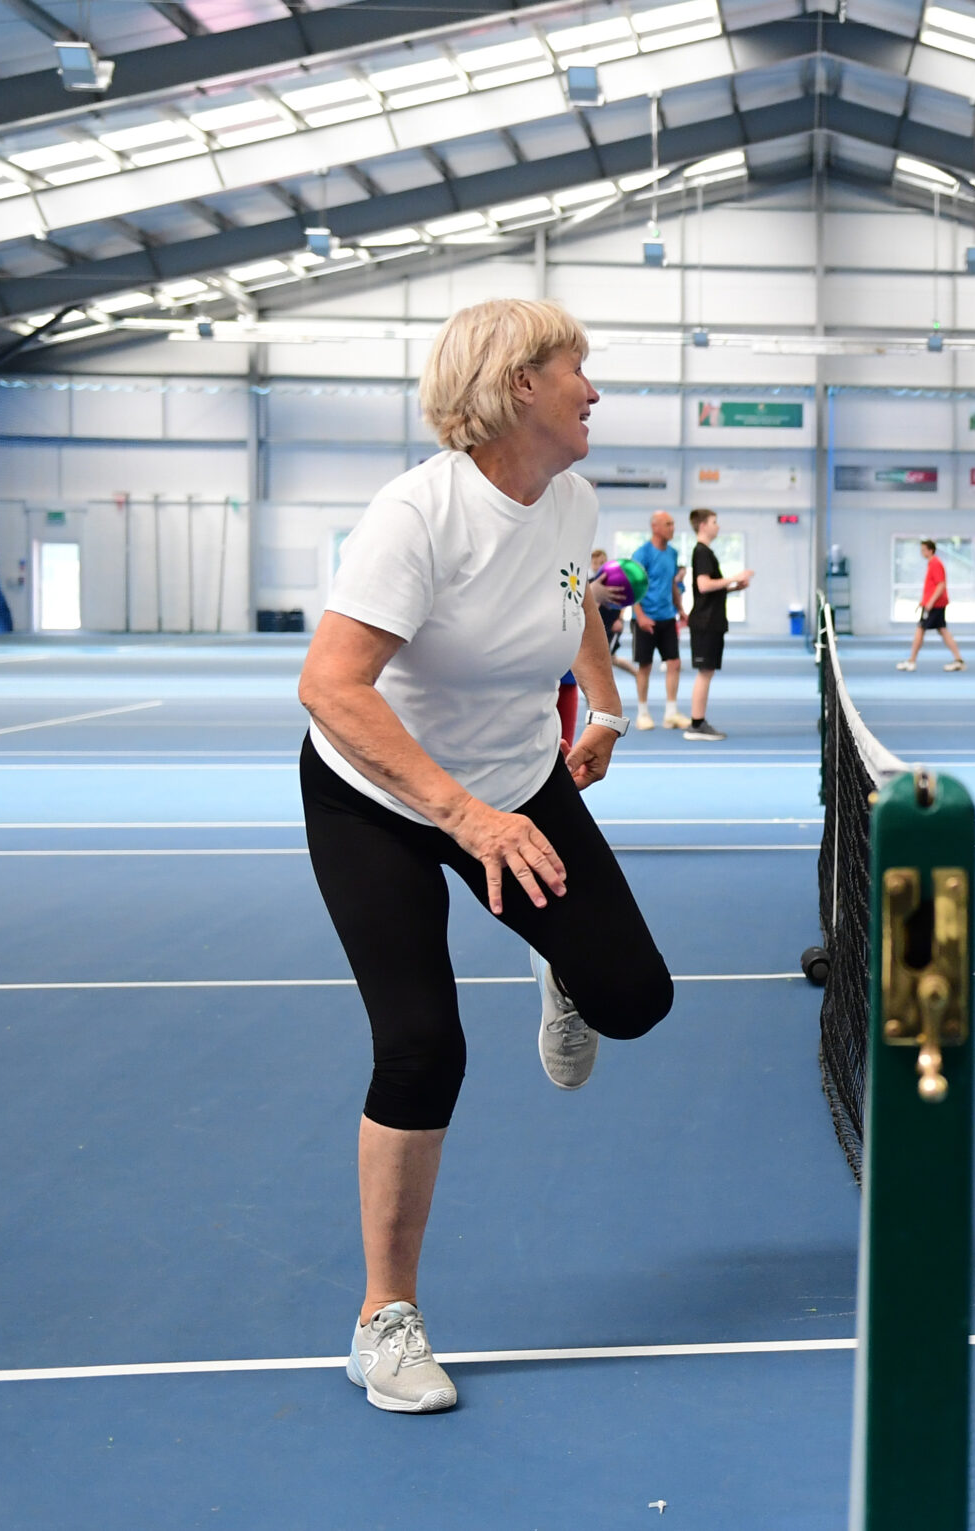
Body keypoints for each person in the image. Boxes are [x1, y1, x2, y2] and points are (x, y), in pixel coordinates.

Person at [295, 297, 672, 1414]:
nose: (593, 389)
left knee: (635, 999)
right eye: (576, 368)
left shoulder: (571, 498)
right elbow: (330, 684)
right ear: (518, 385)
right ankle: (385, 1319)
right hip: (377, 796)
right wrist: (462, 816)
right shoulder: (418, 515)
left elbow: (575, 599)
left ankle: (560, 962)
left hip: (517, 779)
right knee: (422, 1046)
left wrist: (605, 707)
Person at [679, 507, 750, 742]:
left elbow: (710, 590)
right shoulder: (701, 552)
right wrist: (734, 577)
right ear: (703, 526)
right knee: (705, 673)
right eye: (714, 522)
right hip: (705, 622)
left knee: (707, 672)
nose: (717, 526)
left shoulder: (706, 552)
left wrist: (733, 588)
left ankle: (698, 722)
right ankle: (696, 724)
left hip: (712, 621)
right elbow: (704, 586)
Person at [628, 510, 689, 732]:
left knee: (674, 663)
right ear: (655, 527)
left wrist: (680, 609)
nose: (673, 528)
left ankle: (671, 713)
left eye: (673, 524)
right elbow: (632, 587)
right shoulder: (641, 554)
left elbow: (672, 583)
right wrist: (641, 616)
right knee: (645, 666)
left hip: (667, 616)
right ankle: (643, 713)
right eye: (668, 524)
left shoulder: (672, 553)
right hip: (645, 619)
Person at [897, 538, 966, 672]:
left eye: (924, 550)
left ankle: (911, 661)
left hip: (935, 605)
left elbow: (941, 585)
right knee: (942, 630)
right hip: (933, 604)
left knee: (920, 629)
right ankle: (958, 660)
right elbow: (932, 586)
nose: (921, 552)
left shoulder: (935, 563)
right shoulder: (931, 564)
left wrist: (930, 602)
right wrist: (924, 601)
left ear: (930, 550)